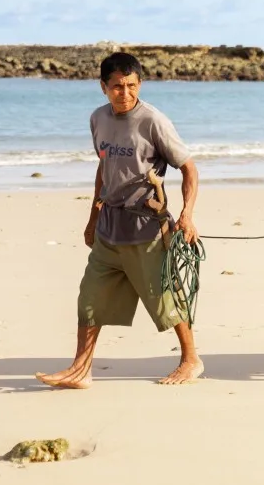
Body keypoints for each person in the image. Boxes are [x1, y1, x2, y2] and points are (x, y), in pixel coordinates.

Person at [36, 52, 203, 388]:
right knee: (90, 299)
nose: (124, 93)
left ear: (139, 84)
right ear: (103, 87)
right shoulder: (98, 119)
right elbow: (104, 166)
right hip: (110, 227)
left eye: (130, 86)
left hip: (147, 227)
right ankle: (80, 370)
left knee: (164, 297)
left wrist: (187, 215)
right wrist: (93, 214)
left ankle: (190, 360)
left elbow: (189, 168)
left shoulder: (154, 121)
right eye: (116, 87)